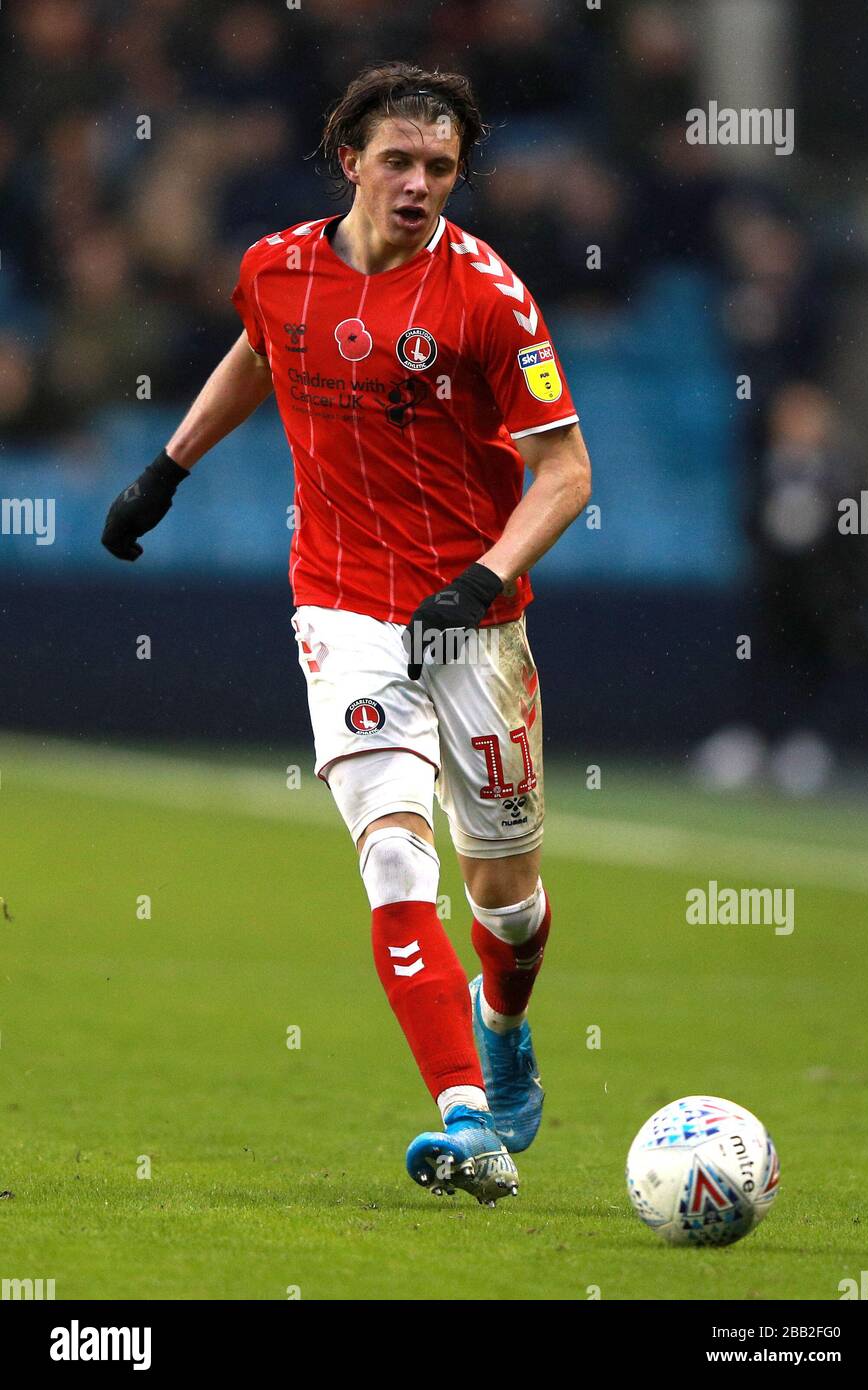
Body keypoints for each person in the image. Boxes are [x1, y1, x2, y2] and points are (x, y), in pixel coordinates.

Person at [101, 62, 591, 1206]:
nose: (419, 185)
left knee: (508, 903)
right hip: (342, 602)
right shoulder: (275, 266)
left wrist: (483, 577)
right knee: (389, 850)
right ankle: (466, 1117)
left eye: (440, 168)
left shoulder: (490, 299)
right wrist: (166, 469)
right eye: (399, 163)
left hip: (475, 621)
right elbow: (262, 353)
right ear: (351, 161)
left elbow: (565, 475)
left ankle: (504, 1020)